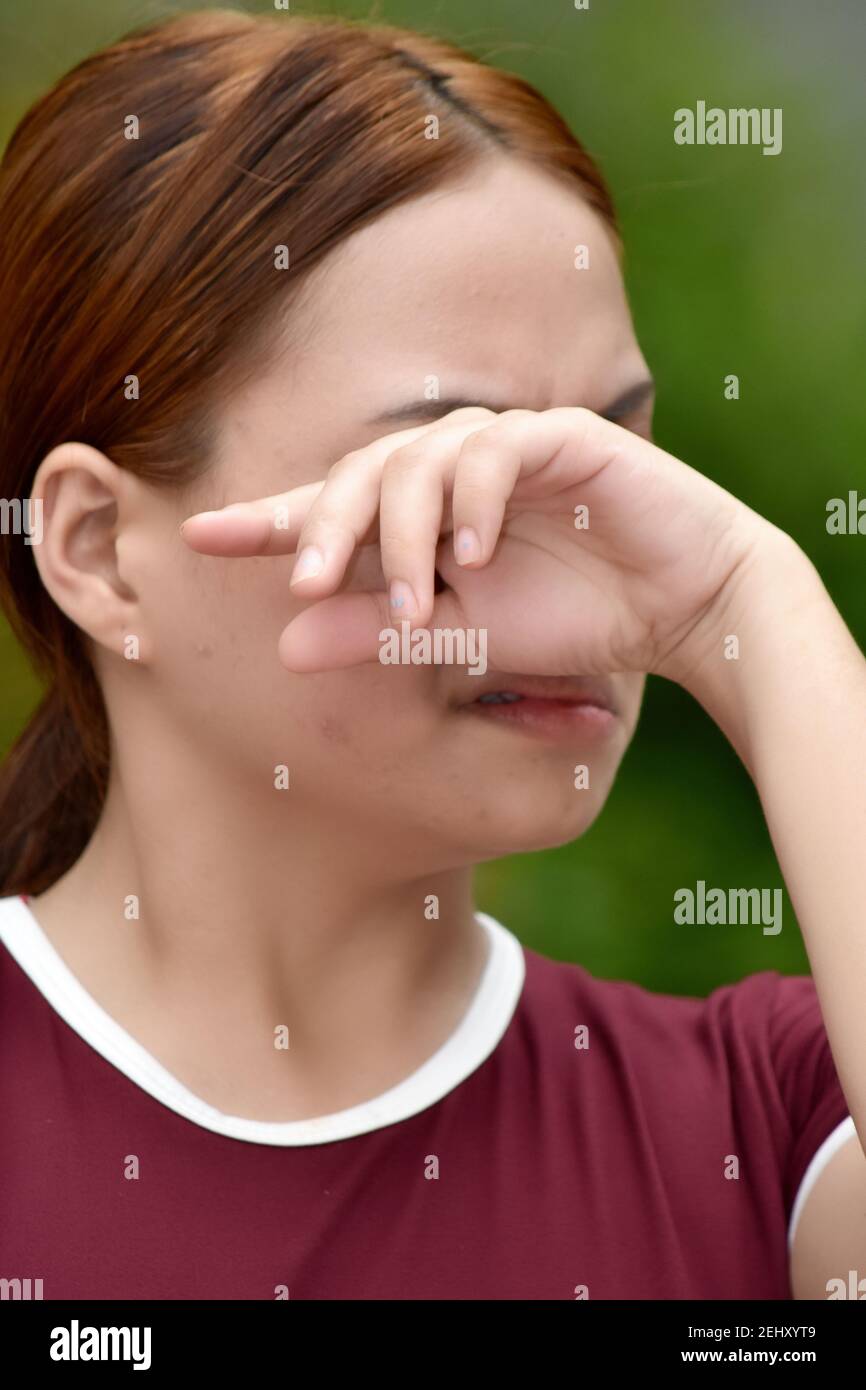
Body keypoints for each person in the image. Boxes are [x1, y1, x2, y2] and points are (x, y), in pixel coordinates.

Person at [0, 9, 863, 1301]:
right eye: (447, 463)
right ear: (102, 552)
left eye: (609, 461)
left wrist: (752, 609)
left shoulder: (771, 1117)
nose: (579, 569)